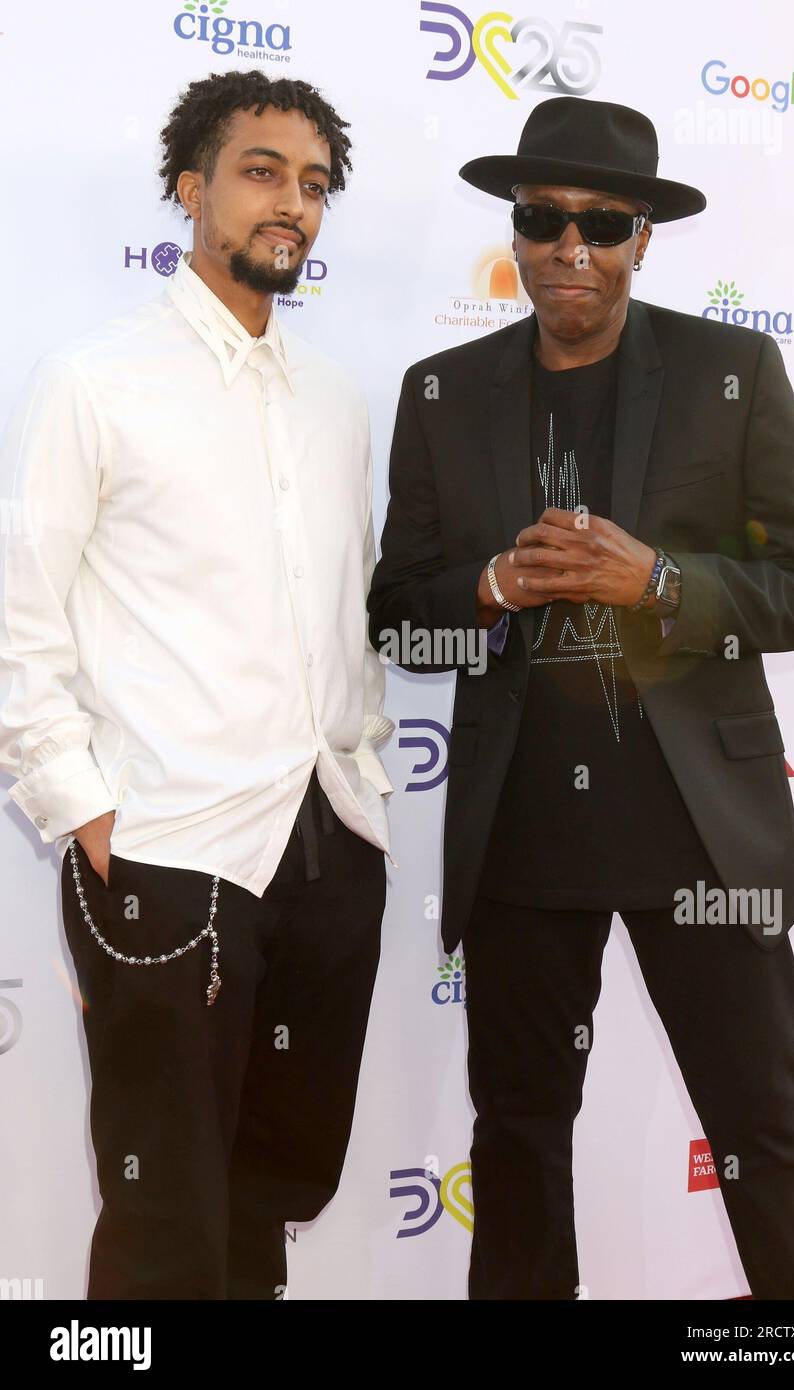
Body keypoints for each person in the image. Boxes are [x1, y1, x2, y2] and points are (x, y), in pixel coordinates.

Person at [368, 95, 794, 1300]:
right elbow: (397, 615)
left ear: (644, 236)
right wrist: (487, 583)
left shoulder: (730, 370)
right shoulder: (441, 392)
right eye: (542, 220)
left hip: (700, 830)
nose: (569, 250)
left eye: (601, 224)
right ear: (515, 232)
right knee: (520, 1142)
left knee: (761, 1126)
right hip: (525, 835)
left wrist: (663, 582)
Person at [0, 68, 394, 1300]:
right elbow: (20, 619)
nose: (293, 204)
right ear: (192, 188)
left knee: (268, 1197)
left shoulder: (335, 403)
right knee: (162, 1215)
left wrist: (362, 780)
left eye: (315, 184)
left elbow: (345, 623)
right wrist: (83, 809)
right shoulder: (95, 380)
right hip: (168, 853)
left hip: (325, 847)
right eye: (262, 171)